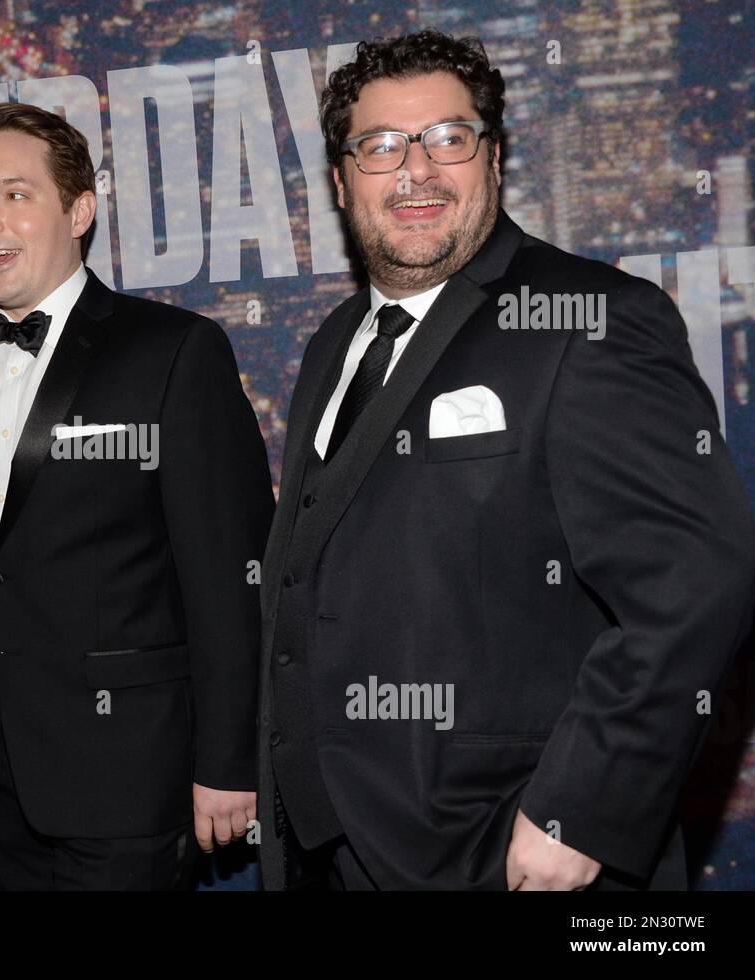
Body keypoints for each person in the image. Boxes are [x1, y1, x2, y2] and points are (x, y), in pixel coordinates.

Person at [258, 30, 755, 890]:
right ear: (340, 181)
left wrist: (583, 808)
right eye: (380, 147)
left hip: (507, 850)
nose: (415, 170)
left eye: (448, 137)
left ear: (494, 159)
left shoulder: (590, 317)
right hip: (328, 850)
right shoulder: (333, 344)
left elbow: (692, 582)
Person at [0, 102, 274, 889]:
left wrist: (230, 758)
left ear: (79, 211)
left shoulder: (172, 350)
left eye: (16, 194)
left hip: (134, 772)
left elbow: (228, 576)